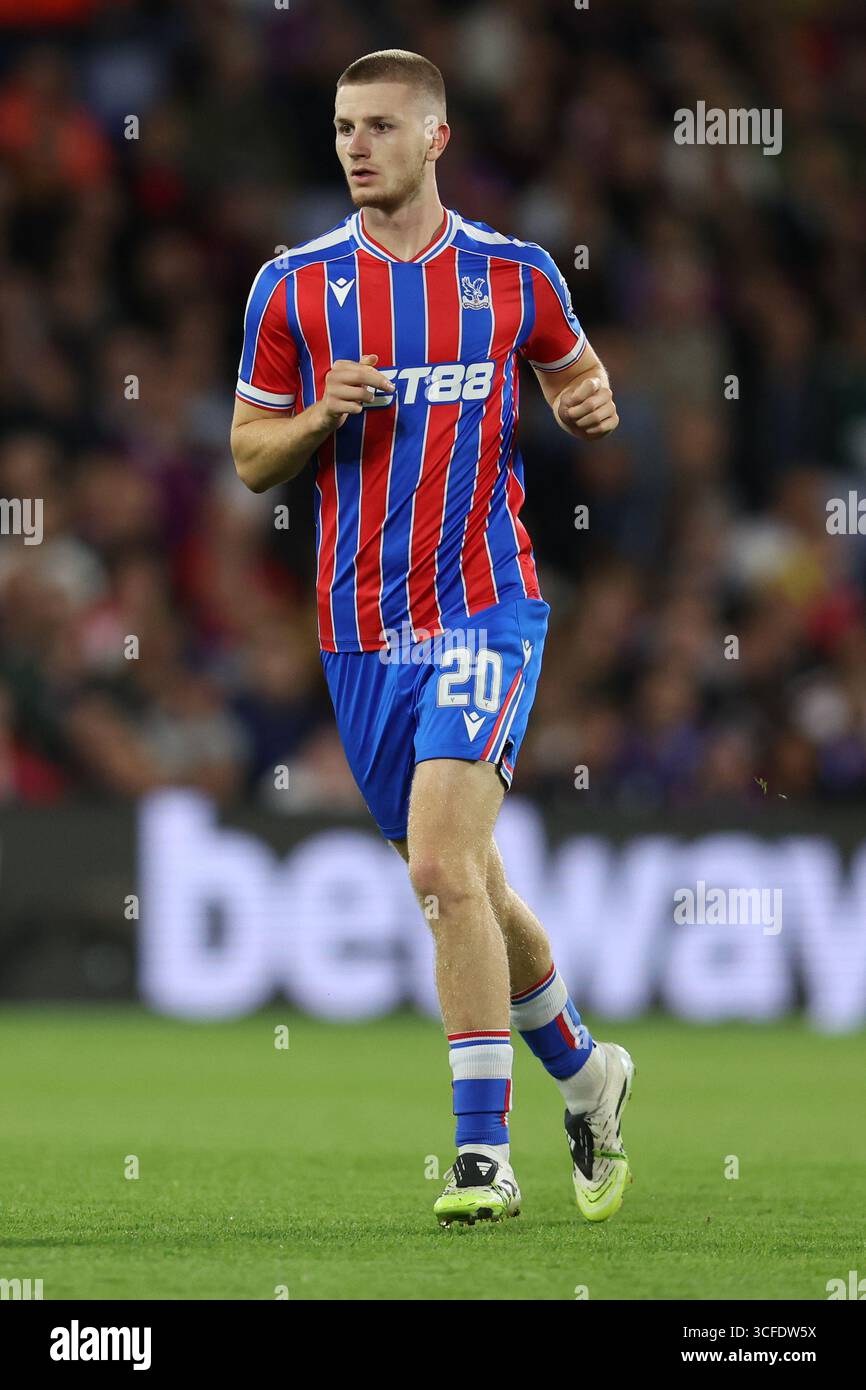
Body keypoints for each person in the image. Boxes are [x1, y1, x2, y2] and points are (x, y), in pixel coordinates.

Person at [230, 48, 634, 1227]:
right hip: (359, 636)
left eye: (381, 127)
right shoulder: (292, 289)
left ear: (436, 138)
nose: (356, 146)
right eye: (345, 127)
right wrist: (319, 413)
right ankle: (585, 1070)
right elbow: (252, 459)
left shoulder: (512, 274)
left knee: (436, 868)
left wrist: (587, 405)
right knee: (474, 885)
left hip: (483, 606)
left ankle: (480, 1158)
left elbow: (578, 378)